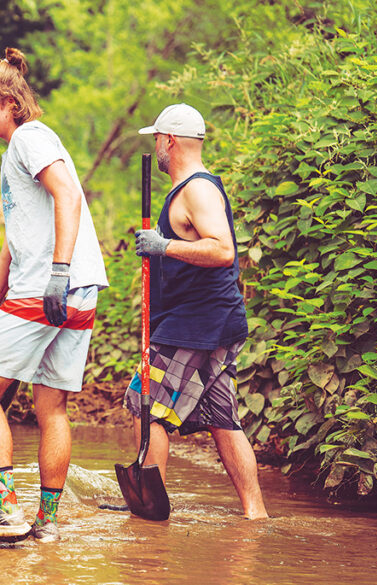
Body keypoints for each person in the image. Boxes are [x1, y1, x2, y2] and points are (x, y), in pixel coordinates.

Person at [0, 48, 108, 545]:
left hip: (48, 287)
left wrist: (57, 271)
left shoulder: (29, 139)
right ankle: (47, 523)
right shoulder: (20, 150)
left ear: (11, 102)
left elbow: (69, 195)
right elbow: (13, 246)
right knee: (50, 408)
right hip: (76, 292)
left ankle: (4, 508)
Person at [127, 103, 268, 519]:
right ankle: (255, 516)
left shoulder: (197, 189)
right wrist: (166, 243)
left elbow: (223, 250)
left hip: (196, 324)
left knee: (144, 404)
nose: (156, 146)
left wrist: (163, 245)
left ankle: (151, 512)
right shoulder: (188, 189)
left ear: (168, 140)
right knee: (223, 419)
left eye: (157, 138)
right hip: (212, 322)